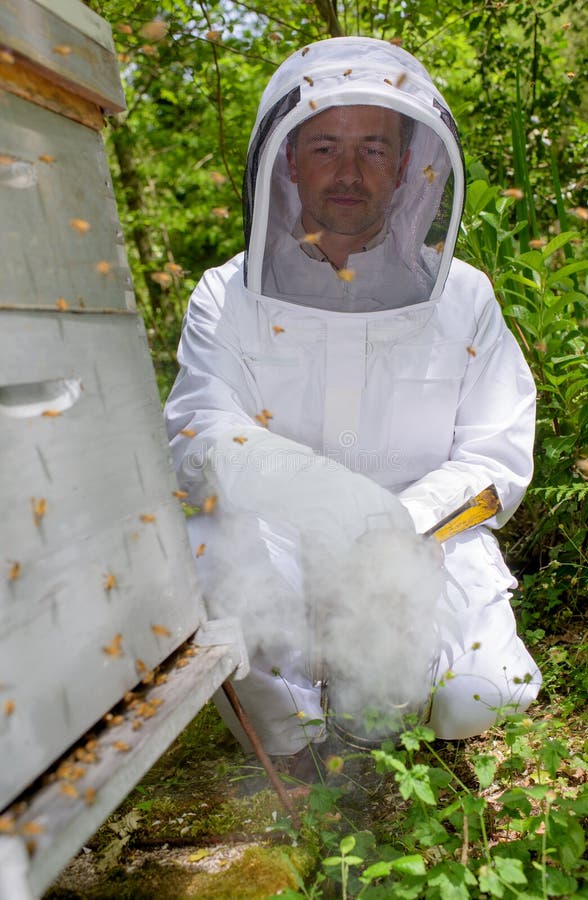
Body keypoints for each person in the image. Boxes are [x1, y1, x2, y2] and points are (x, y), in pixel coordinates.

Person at [164, 36, 541, 767]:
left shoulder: (462, 295)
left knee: (479, 697)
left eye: (373, 149)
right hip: (275, 543)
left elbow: (495, 457)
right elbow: (200, 431)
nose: (347, 172)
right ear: (289, 162)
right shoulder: (226, 294)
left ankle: (395, 703)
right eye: (325, 147)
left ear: (406, 167)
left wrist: (392, 527)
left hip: (425, 539)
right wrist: (329, 503)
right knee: (207, 544)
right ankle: (299, 747)